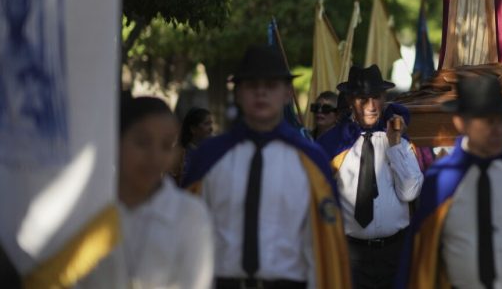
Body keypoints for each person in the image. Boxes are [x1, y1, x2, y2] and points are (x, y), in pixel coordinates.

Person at [181, 45, 351, 289]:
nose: (261, 93)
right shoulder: (209, 158)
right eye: (251, 85)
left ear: (287, 93)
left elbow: (325, 247)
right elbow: (189, 237)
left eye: (271, 85)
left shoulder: (310, 159)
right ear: (238, 93)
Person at [395, 74, 502, 288]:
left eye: (501, 118)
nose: (497, 127)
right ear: (461, 122)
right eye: (487, 120)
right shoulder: (442, 179)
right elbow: (422, 253)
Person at [79, 96, 214, 289]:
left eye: (166, 145)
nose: (155, 157)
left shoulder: (190, 214)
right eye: (142, 143)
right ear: (116, 140)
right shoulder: (89, 209)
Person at [317, 65, 423, 289]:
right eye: (362, 99)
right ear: (349, 101)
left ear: (385, 99)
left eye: (376, 97)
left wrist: (394, 145)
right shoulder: (332, 145)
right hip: (349, 254)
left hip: (395, 253)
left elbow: (410, 191)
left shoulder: (400, 140)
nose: (371, 106)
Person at [171, 107, 214, 184]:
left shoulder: (211, 153)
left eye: (211, 123)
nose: (211, 128)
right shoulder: (179, 155)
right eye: (207, 124)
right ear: (193, 129)